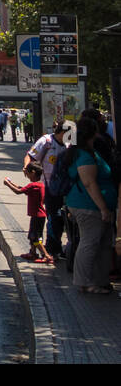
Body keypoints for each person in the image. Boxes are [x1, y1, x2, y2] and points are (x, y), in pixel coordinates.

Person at [61, 118, 117, 293]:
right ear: (93, 132)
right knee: (90, 242)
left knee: (102, 244)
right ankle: (85, 282)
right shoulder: (84, 155)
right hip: (89, 206)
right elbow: (89, 183)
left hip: (89, 205)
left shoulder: (86, 151)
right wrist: (103, 208)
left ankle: (99, 280)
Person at [26, 121, 70, 259]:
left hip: (66, 188)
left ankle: (56, 247)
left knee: (63, 219)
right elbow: (30, 156)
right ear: (62, 132)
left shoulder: (69, 144)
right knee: (54, 218)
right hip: (49, 187)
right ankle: (51, 249)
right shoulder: (46, 141)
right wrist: (27, 169)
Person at [3, 164, 51, 262]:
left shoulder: (34, 185)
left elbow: (18, 191)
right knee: (32, 235)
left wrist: (8, 184)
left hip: (37, 215)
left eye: (27, 174)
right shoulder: (40, 184)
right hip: (38, 215)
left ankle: (46, 255)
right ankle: (33, 252)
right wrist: (12, 183)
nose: (27, 176)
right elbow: (23, 188)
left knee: (36, 238)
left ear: (33, 172)